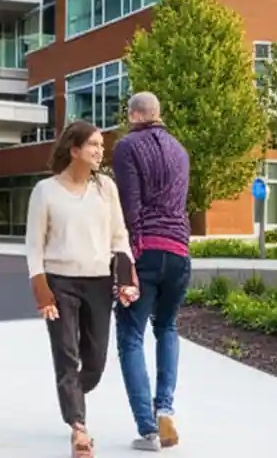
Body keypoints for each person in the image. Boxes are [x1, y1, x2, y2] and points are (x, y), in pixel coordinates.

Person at [25, 120, 138, 458]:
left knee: (95, 363)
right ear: (74, 150)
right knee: (66, 355)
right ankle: (79, 429)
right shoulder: (45, 191)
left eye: (101, 145)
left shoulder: (106, 188)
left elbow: (119, 236)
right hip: (59, 282)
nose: (100, 151)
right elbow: (34, 246)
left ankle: (70, 392)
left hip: (99, 282)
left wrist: (126, 279)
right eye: (93, 145)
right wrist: (41, 291)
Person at [110, 92, 192, 452]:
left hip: (145, 251)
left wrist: (128, 259)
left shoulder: (127, 147)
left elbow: (130, 208)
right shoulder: (180, 151)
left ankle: (148, 429)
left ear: (133, 115)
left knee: (131, 336)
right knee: (167, 327)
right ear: (158, 114)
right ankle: (166, 408)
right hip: (179, 252)